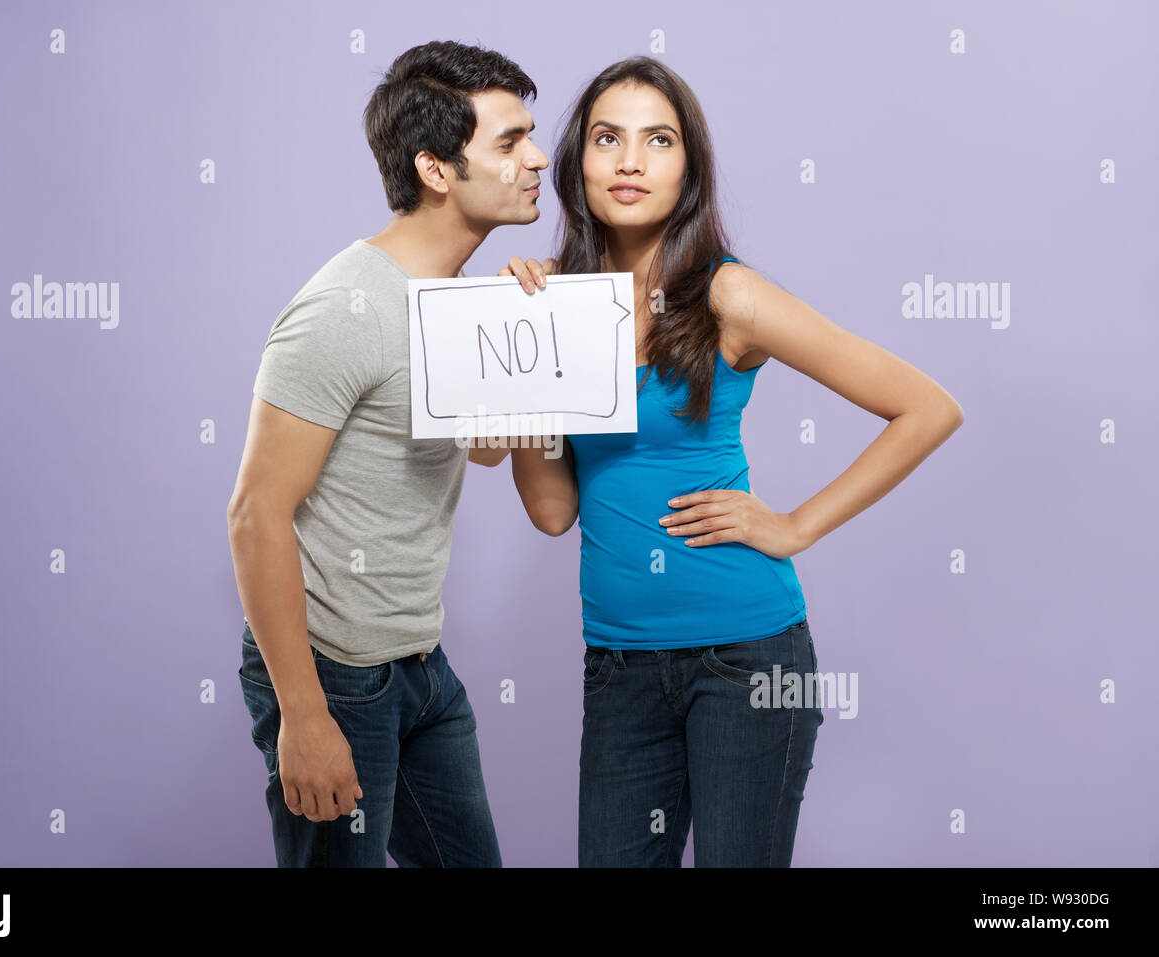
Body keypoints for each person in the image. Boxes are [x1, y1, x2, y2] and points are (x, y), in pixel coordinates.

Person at [504, 57, 964, 866]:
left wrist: (794, 525)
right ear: (580, 159)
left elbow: (928, 407)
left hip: (746, 662)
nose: (631, 161)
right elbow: (551, 511)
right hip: (618, 666)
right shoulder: (557, 306)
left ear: (690, 167)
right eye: (609, 138)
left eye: (659, 139)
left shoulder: (728, 296)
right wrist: (522, 354)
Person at [226, 40, 546, 867]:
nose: (537, 159)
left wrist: (526, 333)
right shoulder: (344, 307)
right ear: (437, 169)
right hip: (331, 672)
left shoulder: (457, 302)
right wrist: (302, 713)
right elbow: (255, 512)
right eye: (509, 143)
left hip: (419, 665)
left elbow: (479, 451)